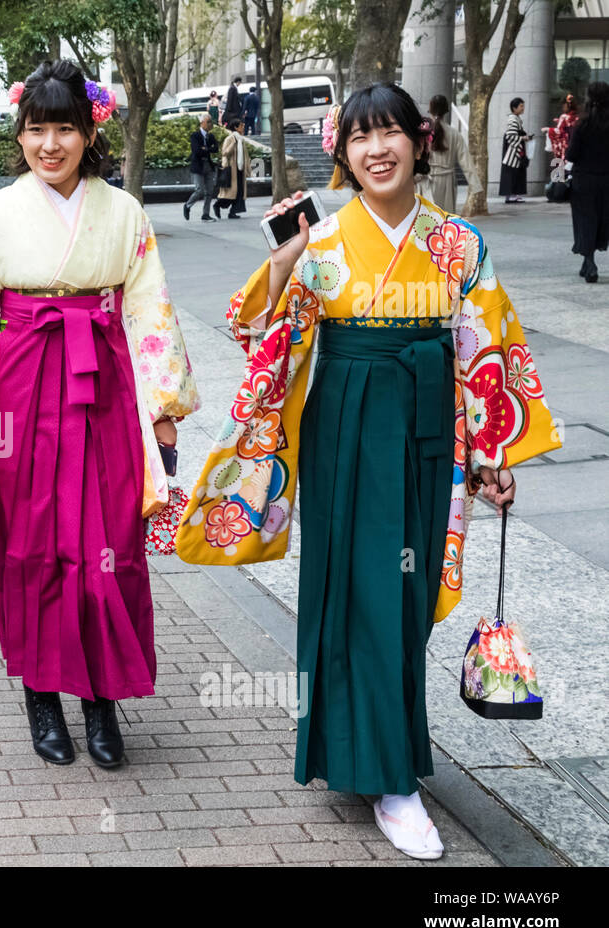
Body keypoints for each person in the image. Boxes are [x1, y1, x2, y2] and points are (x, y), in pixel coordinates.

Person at [177, 83, 559, 861]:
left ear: (419, 142)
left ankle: (363, 748)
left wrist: (491, 456)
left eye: (390, 134)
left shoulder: (457, 243)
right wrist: (283, 257)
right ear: (343, 152)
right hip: (345, 422)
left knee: (405, 593)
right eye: (359, 137)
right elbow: (254, 330)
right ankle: (391, 779)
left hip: (426, 426)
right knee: (356, 588)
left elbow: (485, 350)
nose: (376, 150)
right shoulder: (321, 241)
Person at [0, 59, 200, 770]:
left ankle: (101, 698)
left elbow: (148, 309)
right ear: (19, 136)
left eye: (65, 129)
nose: (50, 144)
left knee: (108, 541)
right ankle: (42, 692)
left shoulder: (123, 213)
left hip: (104, 386)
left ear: (90, 133)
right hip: (20, 384)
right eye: (37, 130)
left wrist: (164, 406)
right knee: (28, 542)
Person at [568, 81, 609, 282]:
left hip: (583, 180)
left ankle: (590, 262)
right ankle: (587, 264)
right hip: (606, 179)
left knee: (585, 220)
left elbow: (572, 154)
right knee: (601, 219)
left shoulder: (582, 124)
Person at [418, 94, 478, 215]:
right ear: (446, 111)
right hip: (447, 182)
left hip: (425, 181)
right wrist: (475, 185)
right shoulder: (454, 134)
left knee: (426, 219)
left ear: (430, 110)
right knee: (445, 220)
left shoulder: (423, 132)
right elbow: (465, 159)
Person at [183, 112, 219, 221]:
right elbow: (197, 151)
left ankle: (205, 214)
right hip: (198, 166)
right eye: (208, 122)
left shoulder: (210, 136)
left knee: (209, 191)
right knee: (199, 190)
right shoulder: (195, 135)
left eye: (211, 122)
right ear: (202, 123)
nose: (210, 124)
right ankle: (188, 205)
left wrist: (206, 149)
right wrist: (206, 149)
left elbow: (216, 148)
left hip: (208, 165)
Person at [500, 97, 533, 203]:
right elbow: (510, 136)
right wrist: (523, 138)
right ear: (514, 108)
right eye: (521, 106)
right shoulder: (513, 119)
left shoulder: (515, 118)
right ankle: (511, 195)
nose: (523, 108)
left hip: (515, 149)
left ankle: (514, 194)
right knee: (513, 172)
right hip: (513, 151)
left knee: (516, 172)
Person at [213, 117, 248, 218]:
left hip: (240, 168)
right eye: (241, 126)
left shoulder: (241, 139)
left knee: (240, 192)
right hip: (232, 169)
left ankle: (233, 212)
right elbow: (224, 153)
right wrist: (232, 145)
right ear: (236, 127)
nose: (243, 127)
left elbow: (245, 156)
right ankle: (217, 205)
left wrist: (248, 169)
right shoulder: (230, 139)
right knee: (230, 193)